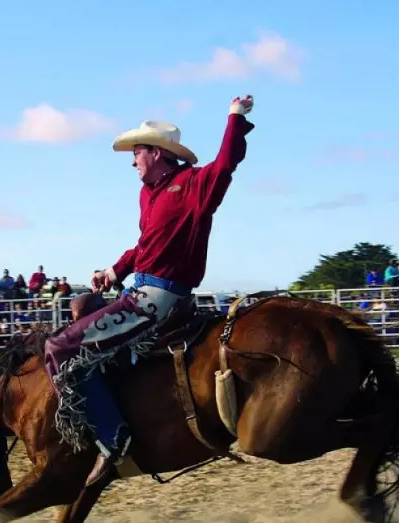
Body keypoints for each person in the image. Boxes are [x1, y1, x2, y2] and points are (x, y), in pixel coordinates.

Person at [43, 95, 256, 486]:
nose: (132, 160)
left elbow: (225, 164)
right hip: (142, 289)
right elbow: (146, 244)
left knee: (59, 348)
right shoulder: (149, 194)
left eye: (136, 152)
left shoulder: (192, 185)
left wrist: (235, 117)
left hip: (157, 299)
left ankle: (112, 437)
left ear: (156, 153)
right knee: (81, 319)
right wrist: (115, 269)